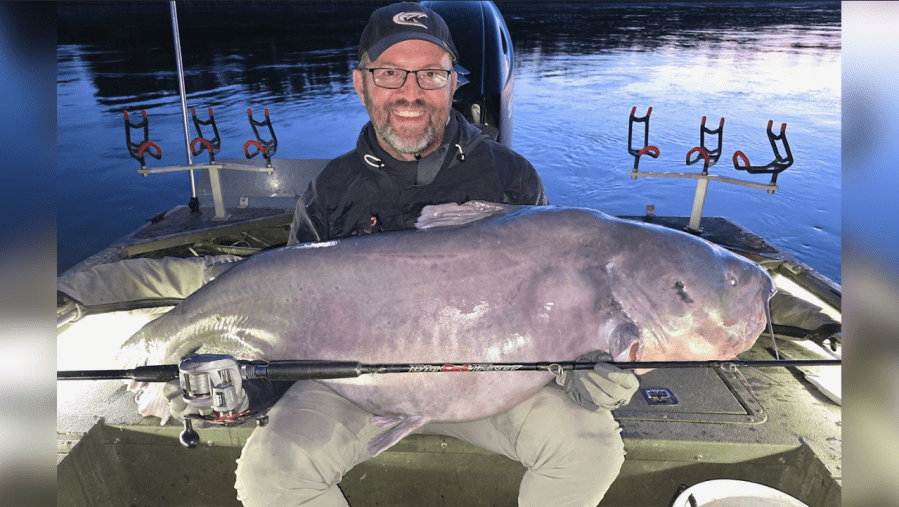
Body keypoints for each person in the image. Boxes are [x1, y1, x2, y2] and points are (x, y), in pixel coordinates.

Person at [177, 3, 639, 505]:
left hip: (492, 385)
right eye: (391, 73)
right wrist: (248, 393)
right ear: (362, 84)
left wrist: (586, 368)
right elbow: (290, 327)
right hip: (349, 389)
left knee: (590, 447)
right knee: (271, 475)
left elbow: (558, 307)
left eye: (431, 74)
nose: (411, 92)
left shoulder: (511, 178)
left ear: (453, 83)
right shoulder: (329, 191)